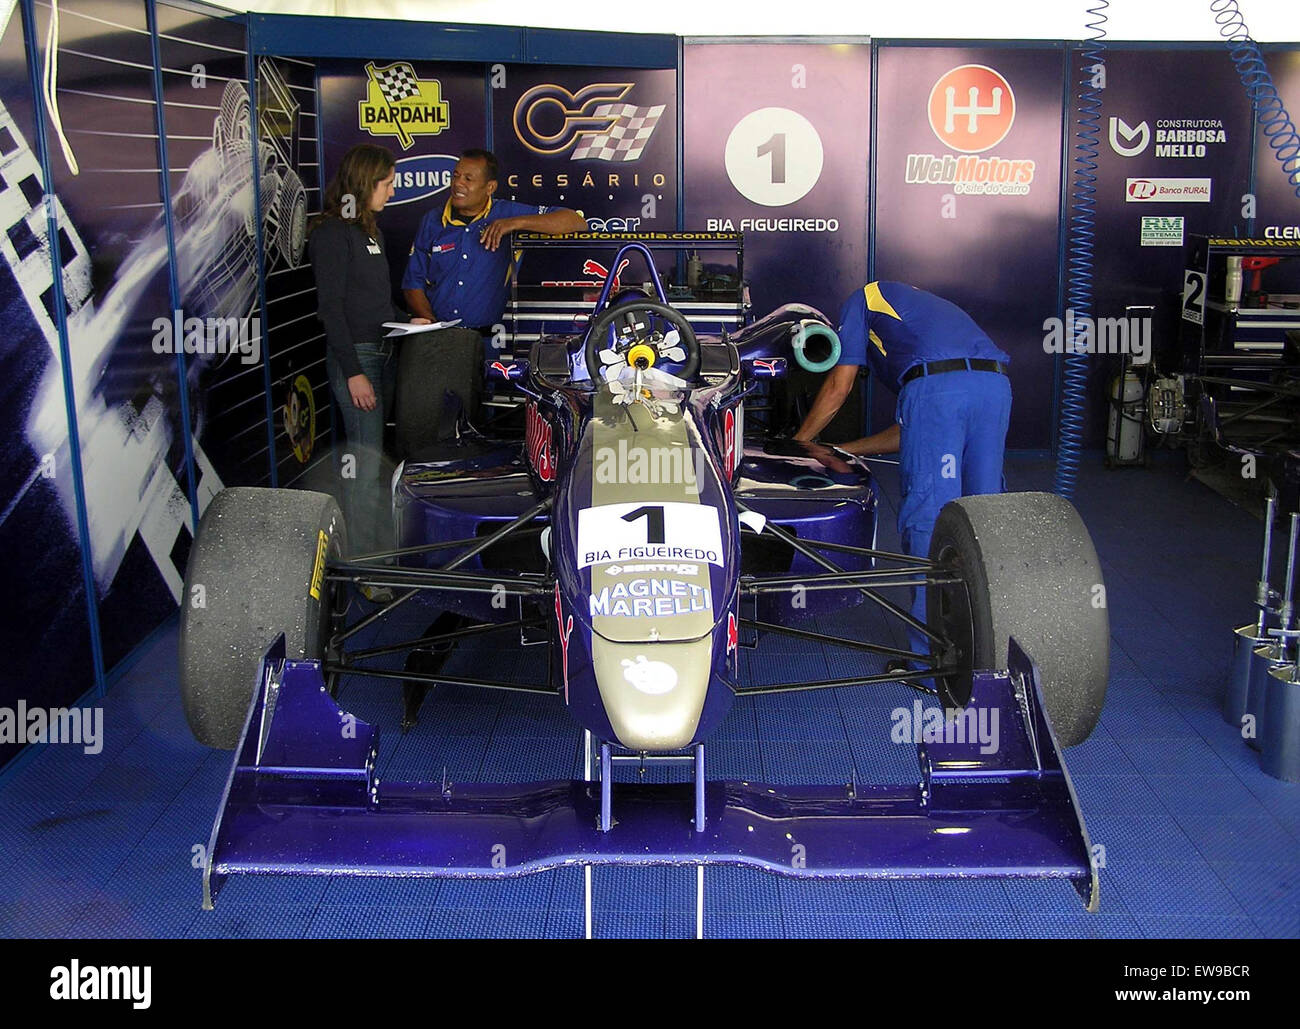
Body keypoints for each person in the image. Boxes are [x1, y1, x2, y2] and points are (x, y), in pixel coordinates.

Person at [794, 281, 1012, 667]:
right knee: (985, 518)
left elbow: (838, 388)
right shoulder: (922, 315)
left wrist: (800, 443)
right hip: (994, 387)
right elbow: (917, 428)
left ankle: (930, 665)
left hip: (940, 392)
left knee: (928, 520)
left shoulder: (860, 300)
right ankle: (989, 649)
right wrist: (845, 450)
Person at [397, 149, 586, 454]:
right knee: (431, 428)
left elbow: (575, 221)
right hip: (436, 342)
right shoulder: (432, 221)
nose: (458, 183)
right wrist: (431, 324)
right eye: (456, 175)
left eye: (469, 178)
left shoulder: (505, 212)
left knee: (479, 427)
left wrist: (515, 224)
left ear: (490, 187)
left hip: (485, 342)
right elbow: (412, 283)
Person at [309, 143, 428, 570]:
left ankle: (384, 555)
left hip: (385, 351)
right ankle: (365, 568)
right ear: (364, 182)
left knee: (379, 463)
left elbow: (374, 303)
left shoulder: (369, 231)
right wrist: (353, 372)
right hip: (357, 359)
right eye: (387, 183)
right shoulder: (331, 233)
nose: (392, 191)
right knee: (362, 467)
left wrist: (407, 320)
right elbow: (332, 309)